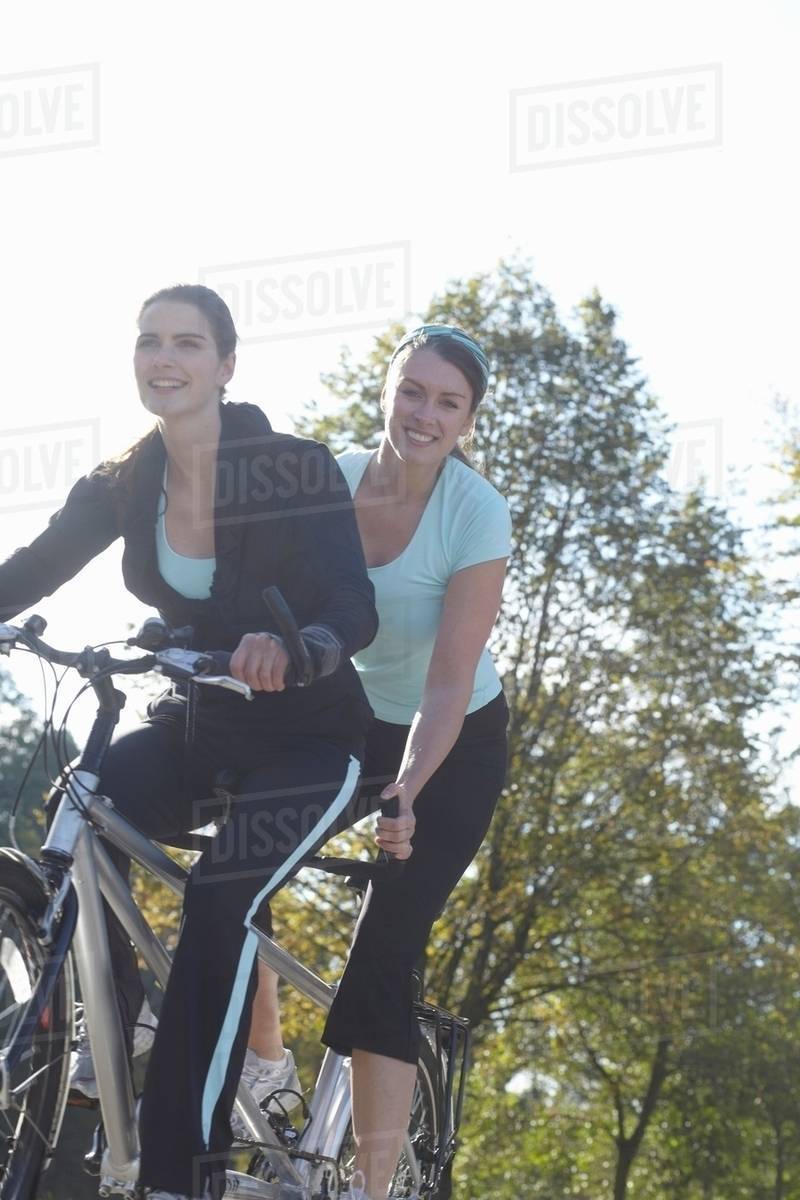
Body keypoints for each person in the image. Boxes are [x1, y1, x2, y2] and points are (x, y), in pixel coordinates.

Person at [0, 284, 378, 1200]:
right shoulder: (125, 481)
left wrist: (295, 648)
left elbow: (352, 607)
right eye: (148, 342)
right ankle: (116, 1021)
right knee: (85, 805)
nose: (163, 358)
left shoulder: (292, 467)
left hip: (310, 742)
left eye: (186, 343)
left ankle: (178, 1173)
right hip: (199, 727)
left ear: (226, 365)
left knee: (219, 902)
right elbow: (36, 566)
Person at [244, 324, 511, 1200]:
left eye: (448, 402)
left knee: (383, 949)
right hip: (352, 720)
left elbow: (445, 684)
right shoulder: (332, 480)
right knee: (238, 856)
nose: (424, 414)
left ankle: (370, 1188)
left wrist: (406, 788)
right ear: (387, 389)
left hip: (453, 741)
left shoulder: (475, 513)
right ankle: (264, 1065)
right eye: (412, 392)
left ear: (469, 419)